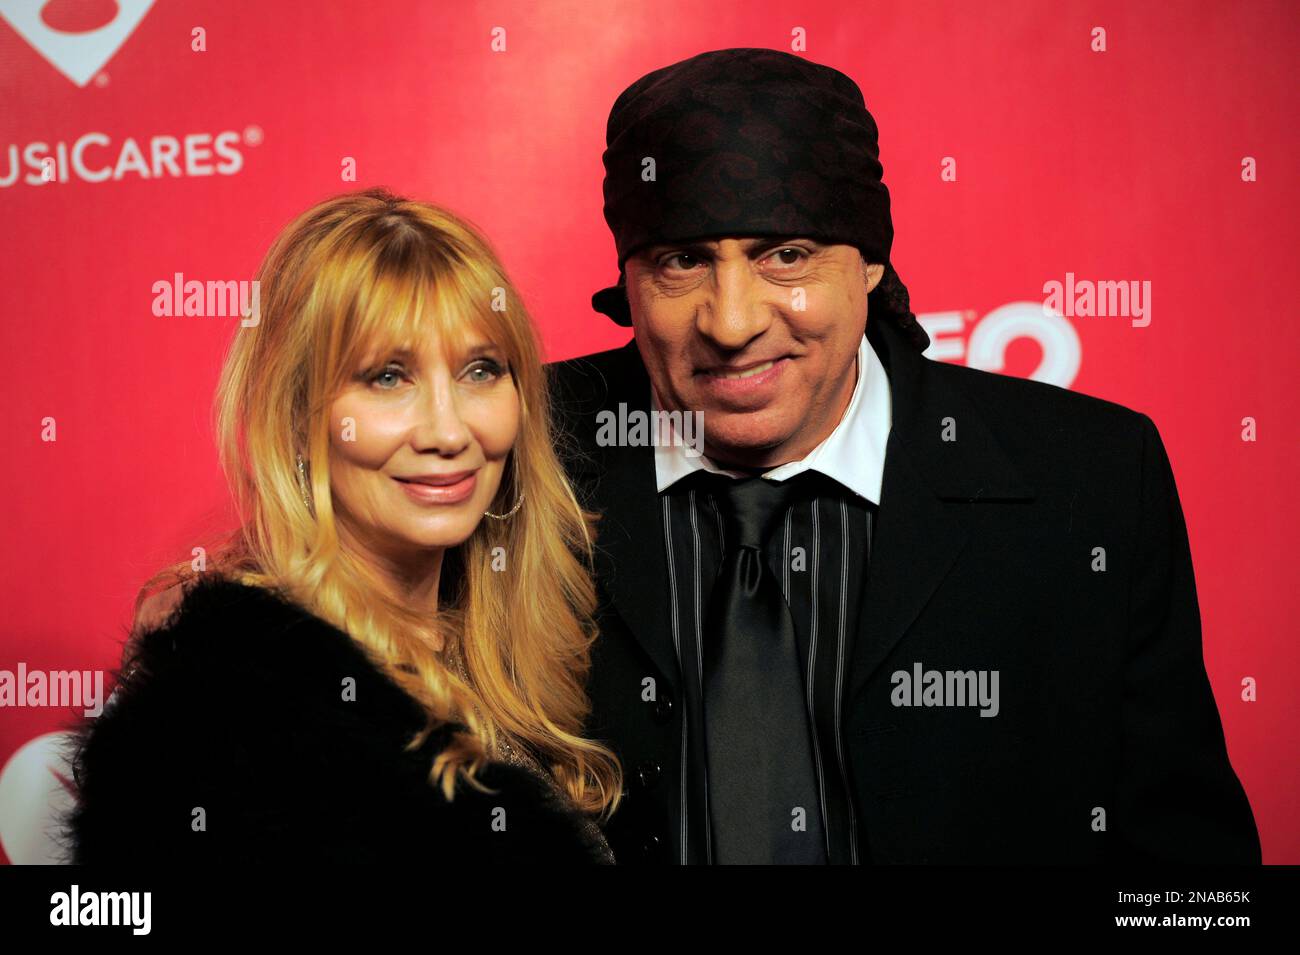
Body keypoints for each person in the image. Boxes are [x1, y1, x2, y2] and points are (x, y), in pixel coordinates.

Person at [547, 47, 1261, 864]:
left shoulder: (1089, 478)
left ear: (871, 258)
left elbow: (1195, 881)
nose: (733, 320)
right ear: (628, 281)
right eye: (683, 261)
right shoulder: (511, 448)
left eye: (785, 254)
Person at [63, 189, 621, 863]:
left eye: (480, 370)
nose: (448, 430)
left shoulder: (535, 648)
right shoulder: (224, 710)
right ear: (297, 417)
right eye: (388, 377)